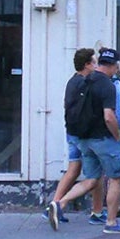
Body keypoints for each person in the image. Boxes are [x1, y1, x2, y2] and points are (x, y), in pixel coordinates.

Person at [47, 48, 120, 233]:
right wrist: (117, 135)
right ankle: (111, 222)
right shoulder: (108, 85)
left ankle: (59, 204)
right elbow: (109, 116)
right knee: (115, 178)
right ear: (114, 66)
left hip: (84, 139)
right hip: (103, 138)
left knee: (92, 179)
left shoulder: (83, 80)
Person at [46, 47, 97, 224]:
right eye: (94, 62)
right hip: (82, 134)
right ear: (87, 64)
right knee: (94, 174)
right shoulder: (85, 83)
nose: (96, 65)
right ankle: (64, 205)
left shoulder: (72, 82)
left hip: (72, 131)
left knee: (73, 169)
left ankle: (53, 205)